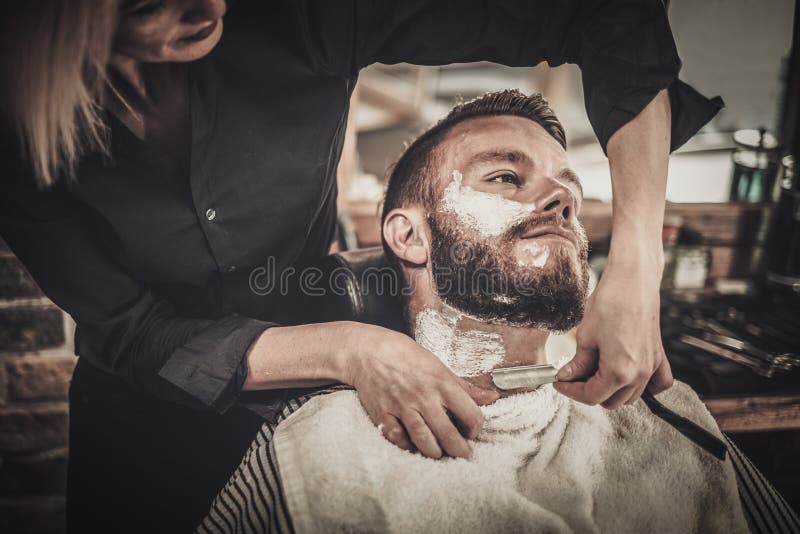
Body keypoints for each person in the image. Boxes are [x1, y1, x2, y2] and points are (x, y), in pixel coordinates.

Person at [0, 1, 722, 531]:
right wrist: (351, 348)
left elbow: (608, 12)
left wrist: (635, 262)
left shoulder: (297, 12)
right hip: (145, 404)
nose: (209, 8)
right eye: (148, 4)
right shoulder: (15, 130)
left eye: (568, 188)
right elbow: (132, 331)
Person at [200, 91, 797, 534]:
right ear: (410, 237)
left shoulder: (662, 411)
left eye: (570, 191)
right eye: (507, 176)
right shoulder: (320, 449)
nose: (563, 200)